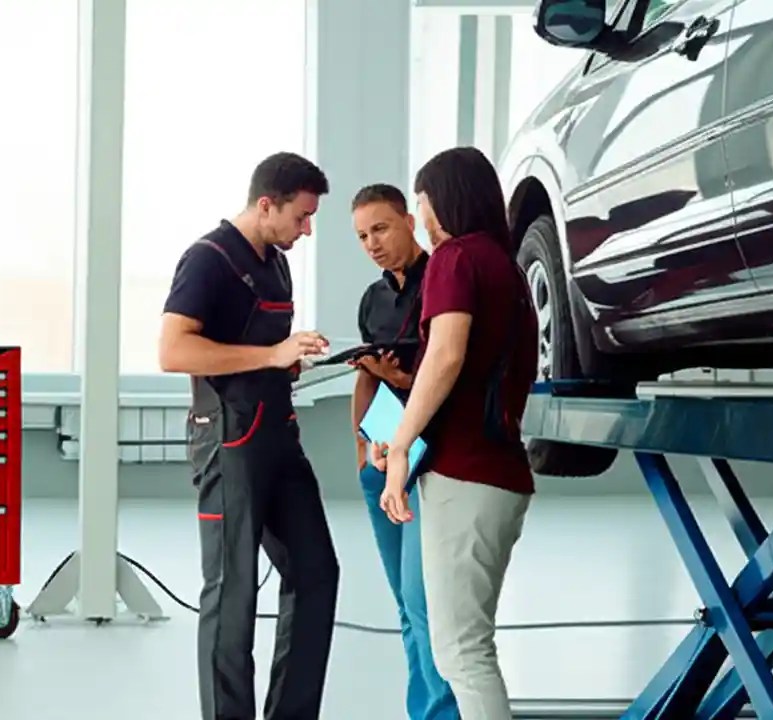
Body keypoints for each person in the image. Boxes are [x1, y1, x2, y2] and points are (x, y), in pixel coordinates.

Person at [158, 151, 341, 720]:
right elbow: (172, 350)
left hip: (279, 436)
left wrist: (287, 363)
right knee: (233, 593)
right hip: (229, 441)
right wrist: (270, 353)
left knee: (316, 570)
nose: (307, 229)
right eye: (302, 217)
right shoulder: (207, 260)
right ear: (267, 204)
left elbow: (259, 354)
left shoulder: (275, 262)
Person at [381, 147, 537, 720]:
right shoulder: (508, 267)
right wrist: (399, 432)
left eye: (421, 203)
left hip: (465, 475)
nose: (421, 217)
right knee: (466, 648)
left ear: (443, 200)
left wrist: (399, 445)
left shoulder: (455, 258)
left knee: (462, 654)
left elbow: (445, 357)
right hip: (498, 474)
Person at [349, 183, 460, 720]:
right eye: (362, 235)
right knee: (403, 604)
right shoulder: (372, 300)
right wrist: (361, 447)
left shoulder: (442, 278)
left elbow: (446, 372)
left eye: (382, 228)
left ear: (409, 222)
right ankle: (424, 711)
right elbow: (367, 380)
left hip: (432, 454)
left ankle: (442, 714)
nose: (372, 242)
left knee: (423, 604)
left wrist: (398, 373)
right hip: (382, 455)